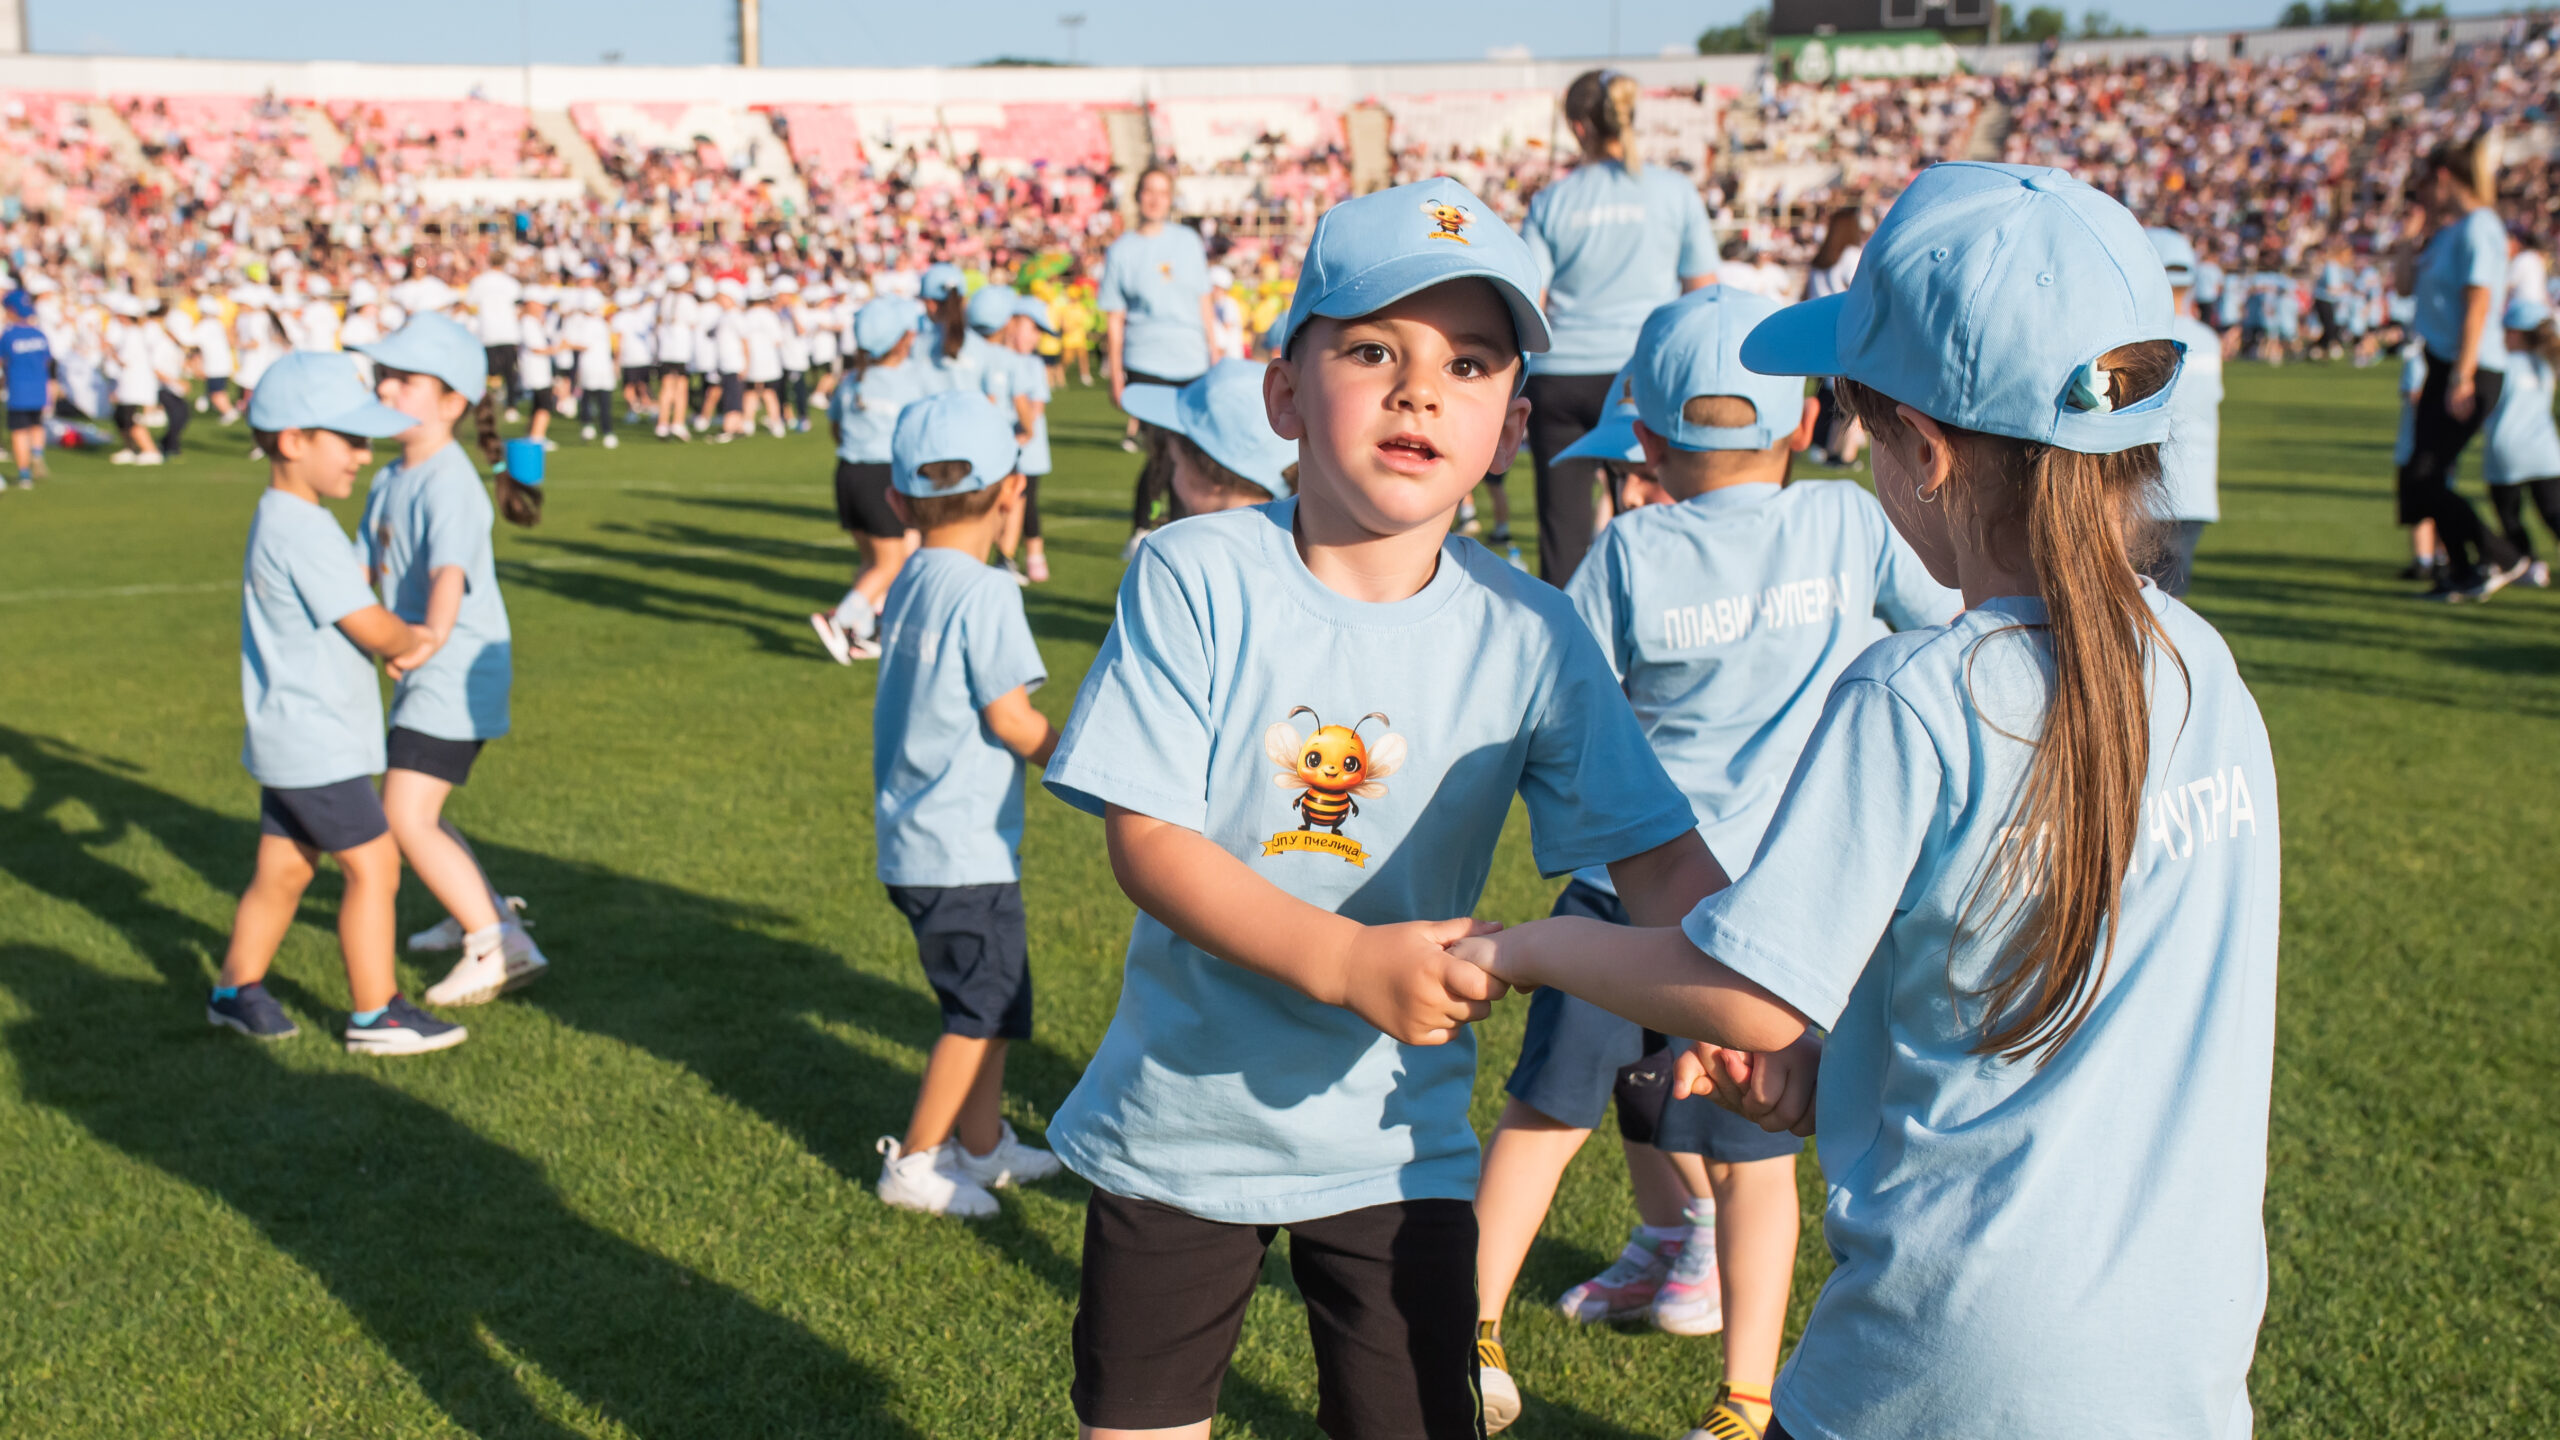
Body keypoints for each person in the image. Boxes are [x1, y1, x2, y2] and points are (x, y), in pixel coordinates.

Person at [1451, 162, 2281, 1440]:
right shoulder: (2203, 666)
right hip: (2182, 1360)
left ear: (1921, 454)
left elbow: (1742, 997)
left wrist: (1517, 950)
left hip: (1942, 1364)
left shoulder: (1921, 694)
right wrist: (1835, 1071)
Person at [1039, 177, 1717, 1440]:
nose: (1419, 391)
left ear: (1512, 426)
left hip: (1401, 1145)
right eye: (1371, 351)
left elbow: (1658, 858)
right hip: (1181, 1126)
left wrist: (1748, 989)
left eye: (1468, 364)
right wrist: (1346, 961)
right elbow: (1148, 840)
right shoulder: (1194, 572)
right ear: (1285, 395)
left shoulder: (1533, 630)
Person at [1471, 287, 1960, 1438]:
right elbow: (1946, 632)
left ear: (1643, 440)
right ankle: (1744, 1399)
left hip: (1627, 892)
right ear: (1804, 424)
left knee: (1545, 1114)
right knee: (1754, 1162)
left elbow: (1558, 694)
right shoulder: (1845, 522)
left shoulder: (1629, 548)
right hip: (1790, 916)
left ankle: (1467, 1330)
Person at [212, 350, 466, 1056]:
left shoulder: (283, 515)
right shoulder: (302, 526)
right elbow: (368, 623)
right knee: (375, 865)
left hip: (290, 736)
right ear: (294, 441)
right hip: (316, 741)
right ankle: (376, 1013)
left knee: (285, 870)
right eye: (349, 439)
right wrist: (414, 639)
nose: (362, 454)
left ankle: (236, 992)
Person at [868, 391, 1065, 1218]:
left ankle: (982, 1146)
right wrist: (1090, 763)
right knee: (976, 1010)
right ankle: (915, 1161)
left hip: (921, 837)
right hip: (960, 848)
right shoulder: (986, 592)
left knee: (997, 997)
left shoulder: (911, 576)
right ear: (1013, 487)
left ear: (897, 500)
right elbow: (1012, 719)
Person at [350, 313, 551, 1009]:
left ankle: (498, 944)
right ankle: (478, 907)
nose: (385, 388)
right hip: (424, 667)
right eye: (384, 376)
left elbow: (449, 574)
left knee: (405, 813)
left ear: (451, 403)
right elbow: (361, 568)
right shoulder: (389, 476)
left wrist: (427, 638)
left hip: (455, 670)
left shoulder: (448, 481)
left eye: (404, 379)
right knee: (415, 809)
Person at [1516, 69, 1717, 584]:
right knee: (1651, 521)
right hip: (1640, 375)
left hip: (1561, 376)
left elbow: (1530, 300)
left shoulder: (1552, 200)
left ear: (1579, 128)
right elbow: (1703, 296)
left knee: (1562, 536)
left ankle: (1563, 635)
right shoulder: (1674, 192)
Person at [2396, 132, 2534, 601]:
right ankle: (2462, 571)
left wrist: (2463, 374)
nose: (2418, 195)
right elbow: (2404, 286)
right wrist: (2413, 232)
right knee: (2422, 478)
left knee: (2425, 476)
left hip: (2469, 366)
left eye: (2422, 185)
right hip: (2445, 364)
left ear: (2442, 177)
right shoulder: (2449, 231)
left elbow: (2479, 302)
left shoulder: (2480, 226)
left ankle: (2504, 557)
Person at [810, 297, 935, 665]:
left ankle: (862, 632)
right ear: (901, 340)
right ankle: (838, 620)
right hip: (883, 477)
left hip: (848, 474)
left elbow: (836, 426)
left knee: (871, 560)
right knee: (891, 562)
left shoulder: (851, 380)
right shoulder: (909, 380)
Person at [1100, 167, 1215, 550]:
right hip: (1145, 360)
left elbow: (1204, 301)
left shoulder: (1188, 242)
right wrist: (1116, 373)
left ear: (1170, 198)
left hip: (1192, 360)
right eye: (1148, 190)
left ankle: (1179, 531)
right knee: (1163, 450)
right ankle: (1141, 527)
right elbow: (1114, 318)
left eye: (1162, 192)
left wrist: (1214, 352)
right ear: (1137, 195)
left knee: (1189, 453)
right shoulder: (1121, 250)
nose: (1154, 199)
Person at [2144, 228, 2225, 598]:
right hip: (2194, 490)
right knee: (2168, 602)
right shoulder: (2208, 339)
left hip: (2144, 491)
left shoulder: (2143, 338)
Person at [1116, 358, 1298, 521]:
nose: (1173, 479)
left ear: (1214, 479)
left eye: (1176, 463)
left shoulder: (1170, 548)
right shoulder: (1295, 539)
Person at [2480, 292, 2560, 588]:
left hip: (2506, 451)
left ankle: (2529, 564)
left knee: (2509, 515)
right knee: (2554, 513)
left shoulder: (2502, 365)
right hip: (2546, 453)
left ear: (2514, 333)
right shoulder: (2547, 364)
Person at [988, 291, 1057, 583]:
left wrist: (1022, 428)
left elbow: (1035, 406)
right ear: (1013, 322)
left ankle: (1029, 555)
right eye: (1033, 328)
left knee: (1025, 502)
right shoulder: (994, 358)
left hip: (1027, 448)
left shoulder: (1032, 364)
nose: (1036, 337)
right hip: (999, 445)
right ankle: (1003, 555)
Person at [1801, 208, 1866, 468]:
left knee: (1828, 393)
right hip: (1846, 330)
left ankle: (1822, 445)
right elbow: (1862, 290)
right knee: (1849, 395)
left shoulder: (1821, 258)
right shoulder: (1850, 255)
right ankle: (1841, 452)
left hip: (1821, 330)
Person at [4, 289, 49, 489]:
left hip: (18, 391)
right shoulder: (39, 334)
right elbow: (47, 362)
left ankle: (24, 474)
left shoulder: (9, 336)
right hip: (39, 390)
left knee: (20, 432)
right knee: (37, 424)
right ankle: (37, 453)